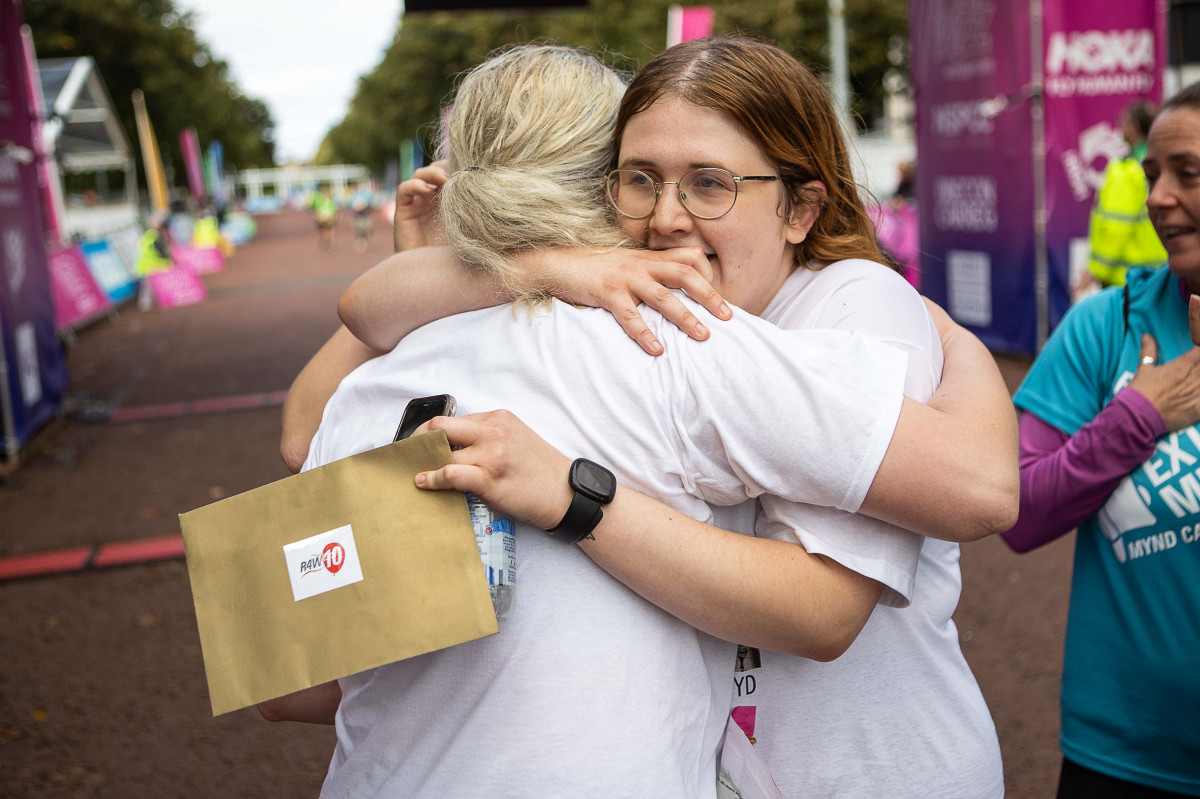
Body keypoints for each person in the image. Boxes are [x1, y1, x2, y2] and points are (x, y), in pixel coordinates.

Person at [264, 43, 1009, 798]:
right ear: (601, 189)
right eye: (640, 180)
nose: (664, 218)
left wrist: (572, 500)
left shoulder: (376, 378)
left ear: (803, 208)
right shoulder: (666, 338)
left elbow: (286, 678)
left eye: (710, 185)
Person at [1003, 82, 1200, 798]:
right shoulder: (1103, 328)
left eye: (1189, 174)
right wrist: (1137, 419)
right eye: (1153, 174)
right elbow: (1018, 512)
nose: (1158, 198)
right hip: (1124, 752)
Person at [1079, 100, 1168, 293]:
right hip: (1158, 275)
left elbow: (1116, 225)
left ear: (1135, 127)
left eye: (1124, 122)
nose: (1120, 127)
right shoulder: (1162, 166)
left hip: (1125, 280)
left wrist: (1097, 270)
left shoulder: (1125, 171)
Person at [310, 185, 337, 251]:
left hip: (329, 218)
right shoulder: (319, 201)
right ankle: (324, 243)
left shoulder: (330, 201)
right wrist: (316, 216)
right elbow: (315, 210)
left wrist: (334, 217)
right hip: (321, 219)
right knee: (323, 232)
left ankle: (331, 244)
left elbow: (334, 210)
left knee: (331, 231)